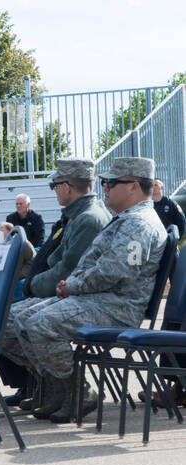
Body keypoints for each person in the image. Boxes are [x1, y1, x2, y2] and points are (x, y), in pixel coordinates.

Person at [14, 157, 168, 422]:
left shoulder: (139, 223)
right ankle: (59, 391)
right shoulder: (127, 219)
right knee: (23, 319)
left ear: (133, 186)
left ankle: (79, 392)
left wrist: (72, 285)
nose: (104, 188)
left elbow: (113, 272)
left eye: (111, 183)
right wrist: (71, 284)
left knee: (40, 323)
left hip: (117, 305)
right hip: (100, 299)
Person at [0, 158, 111, 410]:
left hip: (78, 296)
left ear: (67, 186)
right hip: (66, 294)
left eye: (54, 185)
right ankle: (50, 385)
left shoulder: (88, 219)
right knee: (0, 322)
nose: (54, 189)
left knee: (18, 321)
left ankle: (75, 389)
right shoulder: (76, 216)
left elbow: (66, 270)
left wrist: (31, 285)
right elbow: (55, 259)